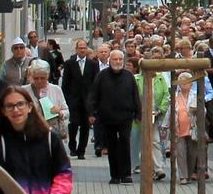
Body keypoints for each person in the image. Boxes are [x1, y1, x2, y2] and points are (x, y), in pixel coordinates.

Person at [88, 49, 141, 185]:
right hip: (107, 117)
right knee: (111, 146)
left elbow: (135, 95)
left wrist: (138, 113)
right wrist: (92, 113)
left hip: (125, 116)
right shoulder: (102, 76)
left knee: (124, 142)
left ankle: (126, 174)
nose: (117, 62)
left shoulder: (129, 76)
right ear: (110, 61)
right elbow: (94, 95)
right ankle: (115, 175)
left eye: (120, 60)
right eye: (115, 59)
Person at [60, 39, 99, 159]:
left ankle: (81, 151)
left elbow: (95, 83)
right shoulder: (69, 64)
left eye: (84, 48)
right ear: (76, 49)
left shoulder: (92, 64)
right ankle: (72, 147)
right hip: (73, 100)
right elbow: (65, 83)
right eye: (80, 48)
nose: (82, 50)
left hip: (87, 101)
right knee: (74, 124)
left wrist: (93, 101)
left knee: (85, 126)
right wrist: (66, 99)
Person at [131, 57, 169, 181]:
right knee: (142, 141)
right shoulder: (136, 79)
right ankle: (145, 166)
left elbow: (166, 95)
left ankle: (157, 168)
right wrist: (138, 112)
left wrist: (161, 110)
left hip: (156, 114)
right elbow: (134, 97)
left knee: (154, 141)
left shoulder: (160, 78)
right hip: (141, 115)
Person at [22, 60, 69, 140]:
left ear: (47, 76)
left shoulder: (56, 89)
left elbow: (66, 112)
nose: (39, 81)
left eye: (42, 78)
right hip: (30, 133)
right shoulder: (24, 90)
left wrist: (60, 112)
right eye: (36, 78)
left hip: (52, 133)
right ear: (32, 76)